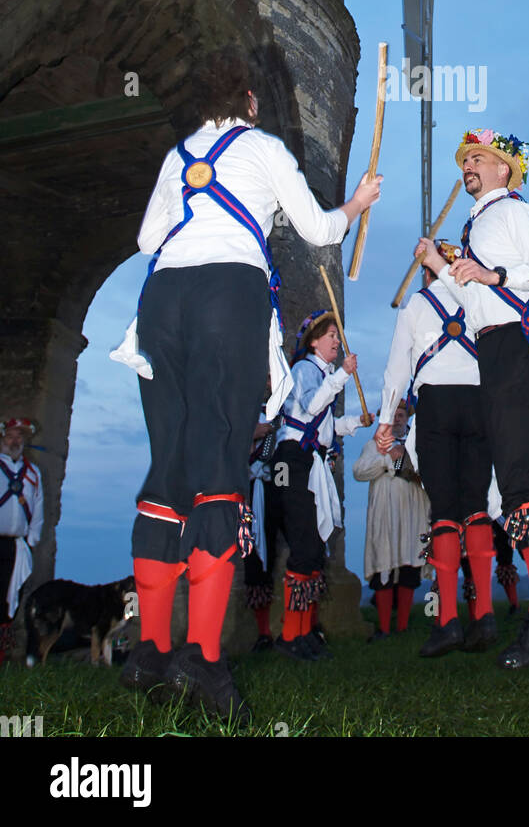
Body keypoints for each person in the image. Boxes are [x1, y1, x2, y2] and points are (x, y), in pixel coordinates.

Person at [114, 45, 381, 716]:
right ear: (251, 104)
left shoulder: (179, 157)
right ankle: (201, 660)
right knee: (220, 472)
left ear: (204, 107)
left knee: (168, 468)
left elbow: (149, 240)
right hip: (226, 297)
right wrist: (357, 202)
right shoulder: (262, 148)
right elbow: (319, 228)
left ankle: (148, 651)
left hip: (161, 302)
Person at [415, 128, 529, 670]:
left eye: (478, 157)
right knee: (516, 476)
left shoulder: (519, 212)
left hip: (522, 341)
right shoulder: (476, 223)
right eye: (465, 158)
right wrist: (442, 265)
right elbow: (475, 295)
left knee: (519, 481)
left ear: (505, 169)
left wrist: (491, 272)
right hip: (495, 347)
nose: (467, 163)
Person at [375, 254, 497, 656]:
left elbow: (397, 369)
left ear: (427, 271)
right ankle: (484, 615)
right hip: (480, 400)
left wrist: (384, 421)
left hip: (436, 405)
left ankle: (448, 622)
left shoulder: (415, 305)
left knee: (444, 511)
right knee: (476, 506)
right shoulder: (479, 298)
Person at [271, 309, 372, 661]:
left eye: (337, 336)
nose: (336, 341)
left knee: (312, 549)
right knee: (303, 545)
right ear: (313, 340)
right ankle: (290, 636)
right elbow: (311, 407)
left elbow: (324, 426)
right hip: (292, 461)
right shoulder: (304, 370)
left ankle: (305, 632)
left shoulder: (322, 373)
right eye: (330, 335)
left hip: (309, 461)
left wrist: (355, 422)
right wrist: (342, 376)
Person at [354, 401, 430, 641]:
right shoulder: (374, 445)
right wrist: (388, 459)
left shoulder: (418, 444)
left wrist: (405, 459)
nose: (397, 419)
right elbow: (359, 472)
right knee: (383, 564)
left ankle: (403, 627)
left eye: (401, 415)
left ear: (408, 418)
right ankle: (385, 628)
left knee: (410, 565)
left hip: (413, 512)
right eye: (393, 415)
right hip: (385, 514)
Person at [0, 418, 43, 667]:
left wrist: (32, 541)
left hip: (16, 546)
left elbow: (38, 510)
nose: (15, 441)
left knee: (9, 600)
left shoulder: (32, 474)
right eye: (11, 436)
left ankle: (2, 657)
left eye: (20, 437)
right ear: (3, 438)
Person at [242, 400, 277, 652]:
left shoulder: (274, 416)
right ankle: (259, 631)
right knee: (250, 558)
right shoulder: (235, 414)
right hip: (244, 498)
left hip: (268, 494)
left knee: (269, 557)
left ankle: (273, 631)